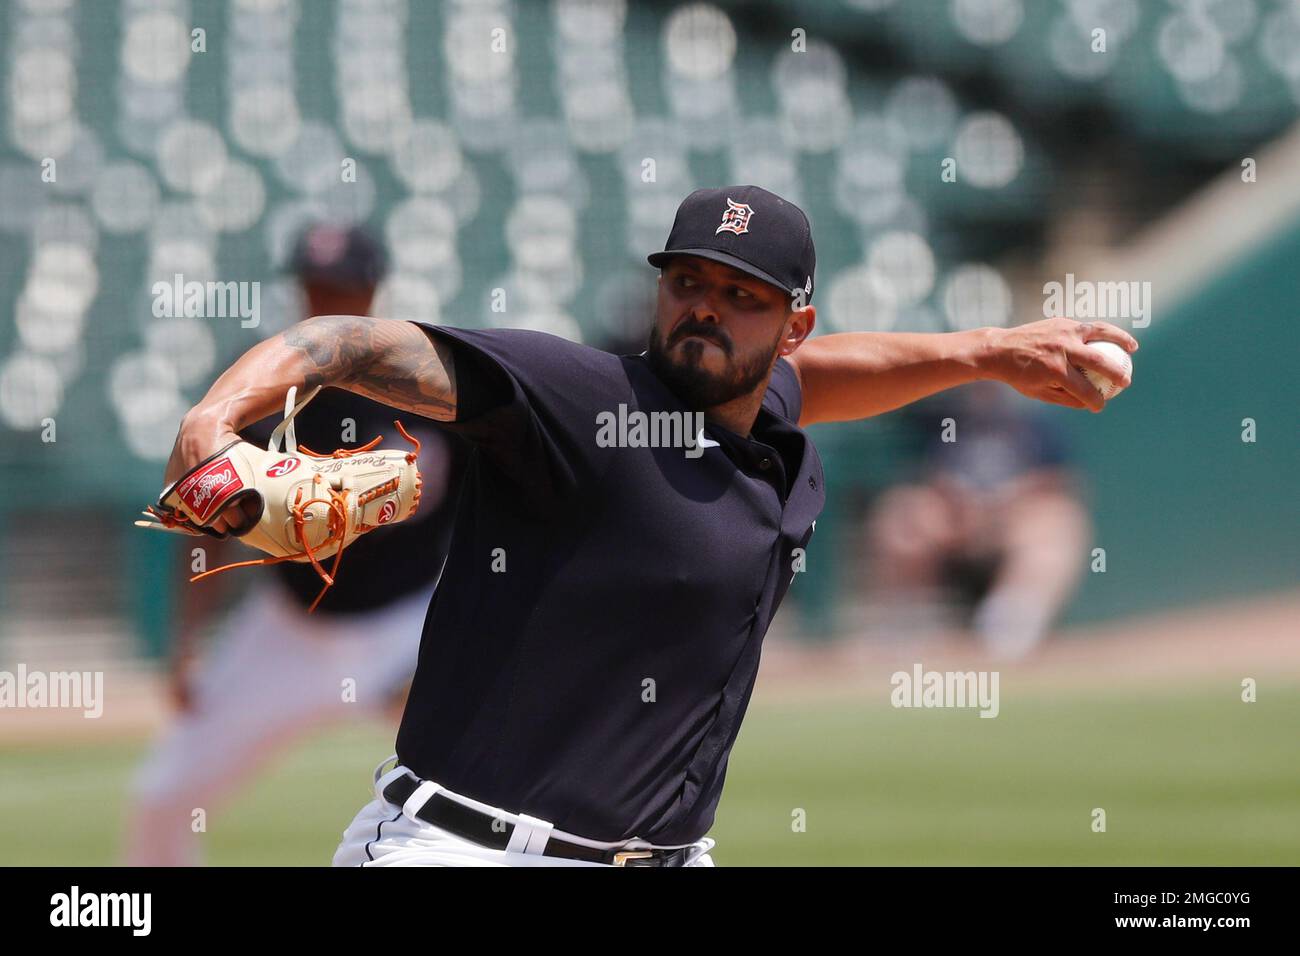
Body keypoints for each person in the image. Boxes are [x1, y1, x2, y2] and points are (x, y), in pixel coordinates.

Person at [158, 185, 1136, 867]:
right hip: (464, 847)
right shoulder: (576, 395)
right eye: (687, 283)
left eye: (740, 295)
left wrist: (987, 350)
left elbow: (830, 371)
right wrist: (217, 417)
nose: (703, 310)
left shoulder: (764, 413)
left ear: (789, 325)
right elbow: (349, 341)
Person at [124, 224, 465, 866]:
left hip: (406, 628)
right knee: (165, 796)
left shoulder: (431, 388)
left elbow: (494, 515)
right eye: (312, 284)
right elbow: (201, 523)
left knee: (488, 794)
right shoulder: (259, 390)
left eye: (338, 285)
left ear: (371, 290)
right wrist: (186, 642)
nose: (323, 297)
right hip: (287, 630)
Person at [864, 380, 1092, 659]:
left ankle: (1011, 627)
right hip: (956, 522)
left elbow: (1058, 482)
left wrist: (1005, 506)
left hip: (1011, 525)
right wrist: (958, 504)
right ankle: (906, 625)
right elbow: (924, 474)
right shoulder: (943, 415)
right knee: (904, 511)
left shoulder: (1036, 420)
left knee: (1058, 520)